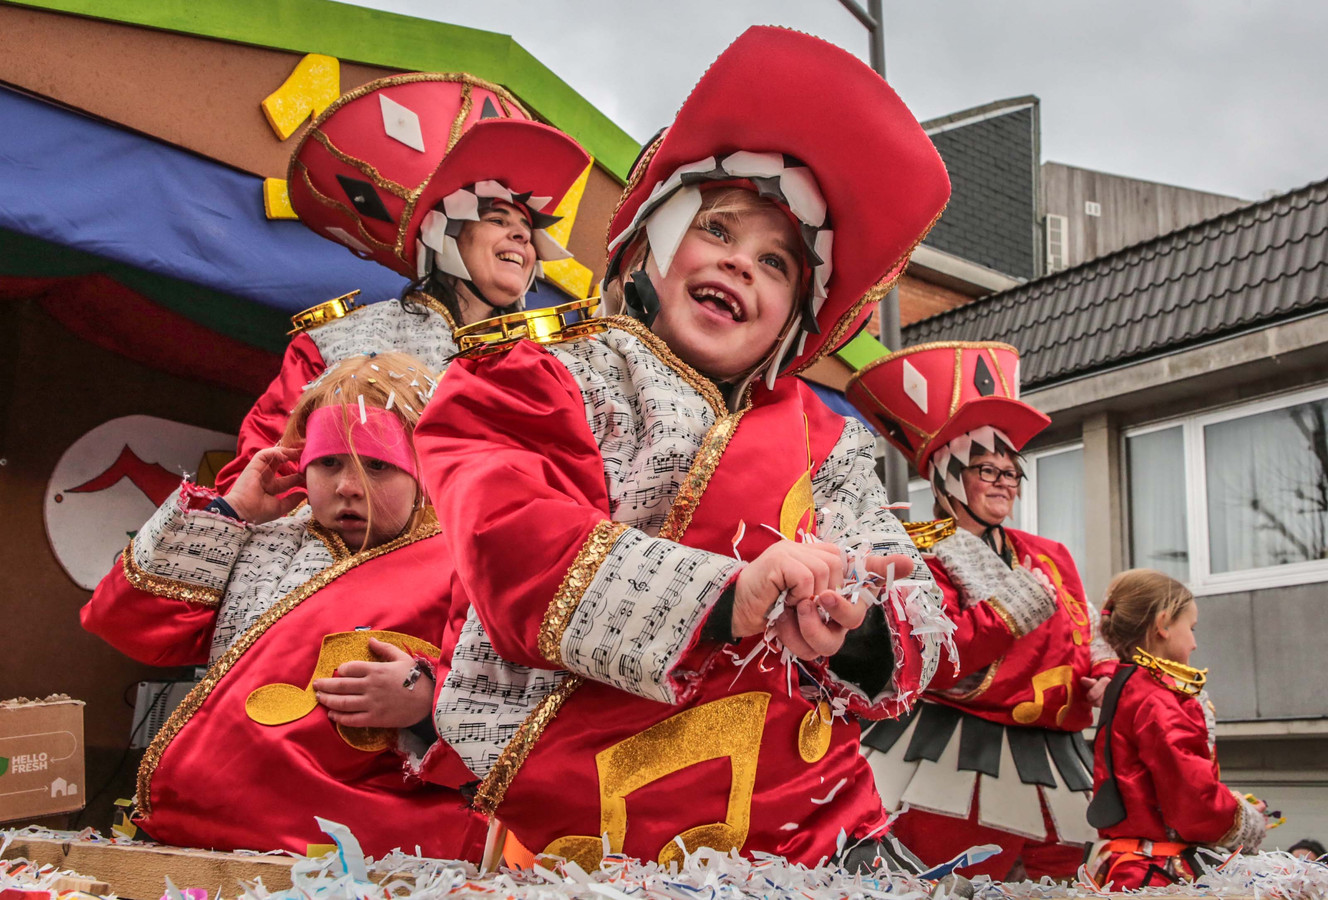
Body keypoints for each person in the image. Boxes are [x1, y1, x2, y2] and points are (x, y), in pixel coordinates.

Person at [413, 26, 954, 871]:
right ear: (654, 252)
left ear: (795, 322)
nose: (742, 265)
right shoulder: (536, 377)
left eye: (777, 263)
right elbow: (513, 548)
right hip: (575, 844)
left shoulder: (828, 442)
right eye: (720, 231)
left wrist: (852, 624)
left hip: (811, 846)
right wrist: (732, 598)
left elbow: (912, 609)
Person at [80, 353, 487, 860]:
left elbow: (517, 710)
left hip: (369, 852)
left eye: (378, 465)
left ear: (429, 468)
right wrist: (231, 512)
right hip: (201, 837)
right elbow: (128, 622)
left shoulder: (468, 563)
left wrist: (427, 702)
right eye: (328, 462)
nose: (346, 485)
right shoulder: (260, 538)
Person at [214, 72, 590, 492]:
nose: (521, 235)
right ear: (442, 234)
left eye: (527, 228)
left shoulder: (552, 365)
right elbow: (261, 470)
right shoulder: (334, 341)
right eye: (497, 220)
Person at [847, 341, 1117, 880]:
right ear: (947, 478)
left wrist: (1106, 677)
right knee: (943, 880)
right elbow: (932, 660)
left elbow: (1087, 635)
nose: (1004, 483)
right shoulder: (918, 554)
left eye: (1011, 471)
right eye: (986, 471)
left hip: (1058, 755)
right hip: (952, 752)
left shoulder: (1051, 554)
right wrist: (1015, 608)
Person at [1085, 569, 1267, 889]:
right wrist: (1246, 818)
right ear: (1164, 624)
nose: (1195, 643)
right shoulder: (1159, 699)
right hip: (1159, 877)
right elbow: (1194, 803)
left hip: (1131, 868)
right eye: (1192, 628)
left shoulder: (1126, 684)